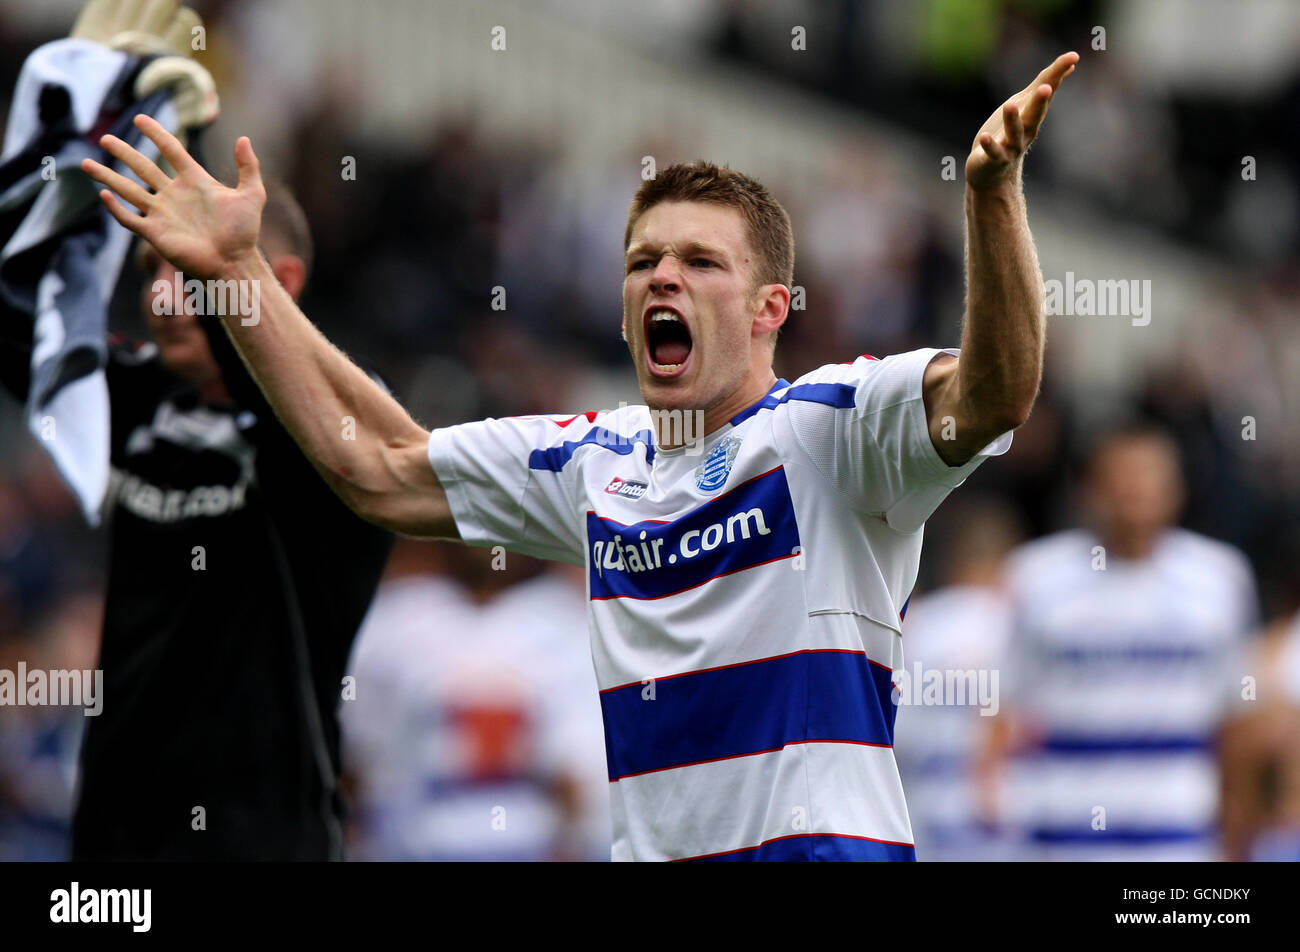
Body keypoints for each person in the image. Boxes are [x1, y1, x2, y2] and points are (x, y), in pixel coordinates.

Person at [82, 51, 1078, 862]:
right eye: (643, 261)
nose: (662, 278)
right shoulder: (592, 459)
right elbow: (378, 466)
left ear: (772, 309)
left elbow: (995, 392)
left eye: (699, 262)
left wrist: (990, 197)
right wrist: (239, 276)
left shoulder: (834, 428)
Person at [1, 184, 394, 860]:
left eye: (189, 276)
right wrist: (59, 157)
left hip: (263, 842)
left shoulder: (339, 429)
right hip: (112, 848)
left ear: (283, 282)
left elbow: (273, 383)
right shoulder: (144, 400)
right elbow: (18, 326)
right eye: (152, 271)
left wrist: (226, 261)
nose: (161, 298)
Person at [983, 425, 1258, 860]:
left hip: (1179, 837)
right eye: (1121, 476)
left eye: (1150, 475)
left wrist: (1237, 830)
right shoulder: (1036, 577)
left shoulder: (1220, 579)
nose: (1135, 490)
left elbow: (1236, 719)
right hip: (1064, 836)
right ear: (1089, 489)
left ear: (1177, 489)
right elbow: (1003, 706)